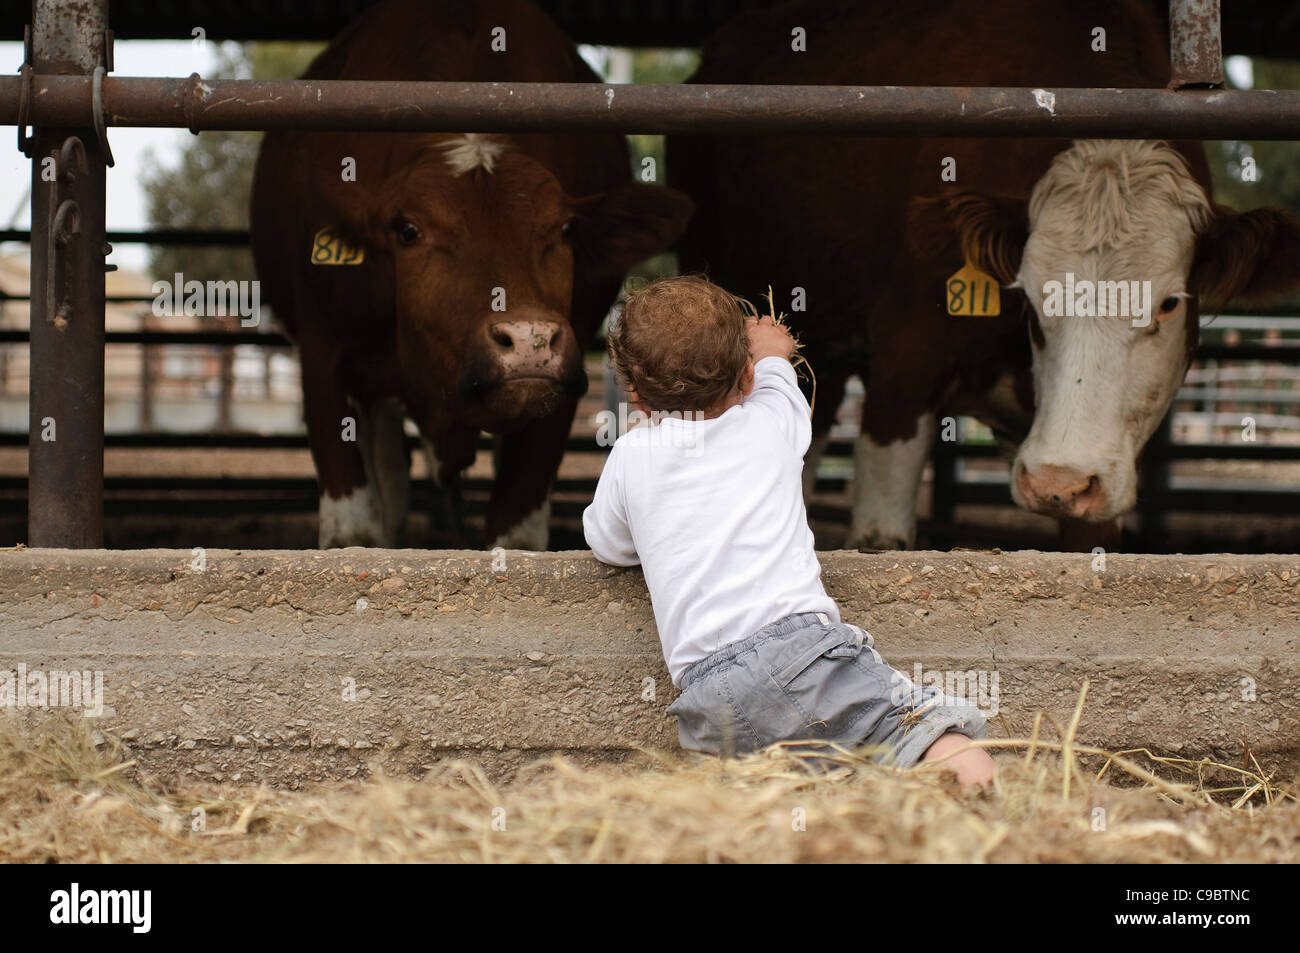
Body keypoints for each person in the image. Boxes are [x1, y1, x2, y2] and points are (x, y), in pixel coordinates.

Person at [583, 275, 994, 785]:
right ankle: (983, 799)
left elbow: (607, 544)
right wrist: (772, 348)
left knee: (766, 803)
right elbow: (779, 380)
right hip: (802, 654)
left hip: (709, 694)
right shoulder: (770, 424)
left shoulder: (630, 456)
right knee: (927, 732)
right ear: (749, 379)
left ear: (635, 397)